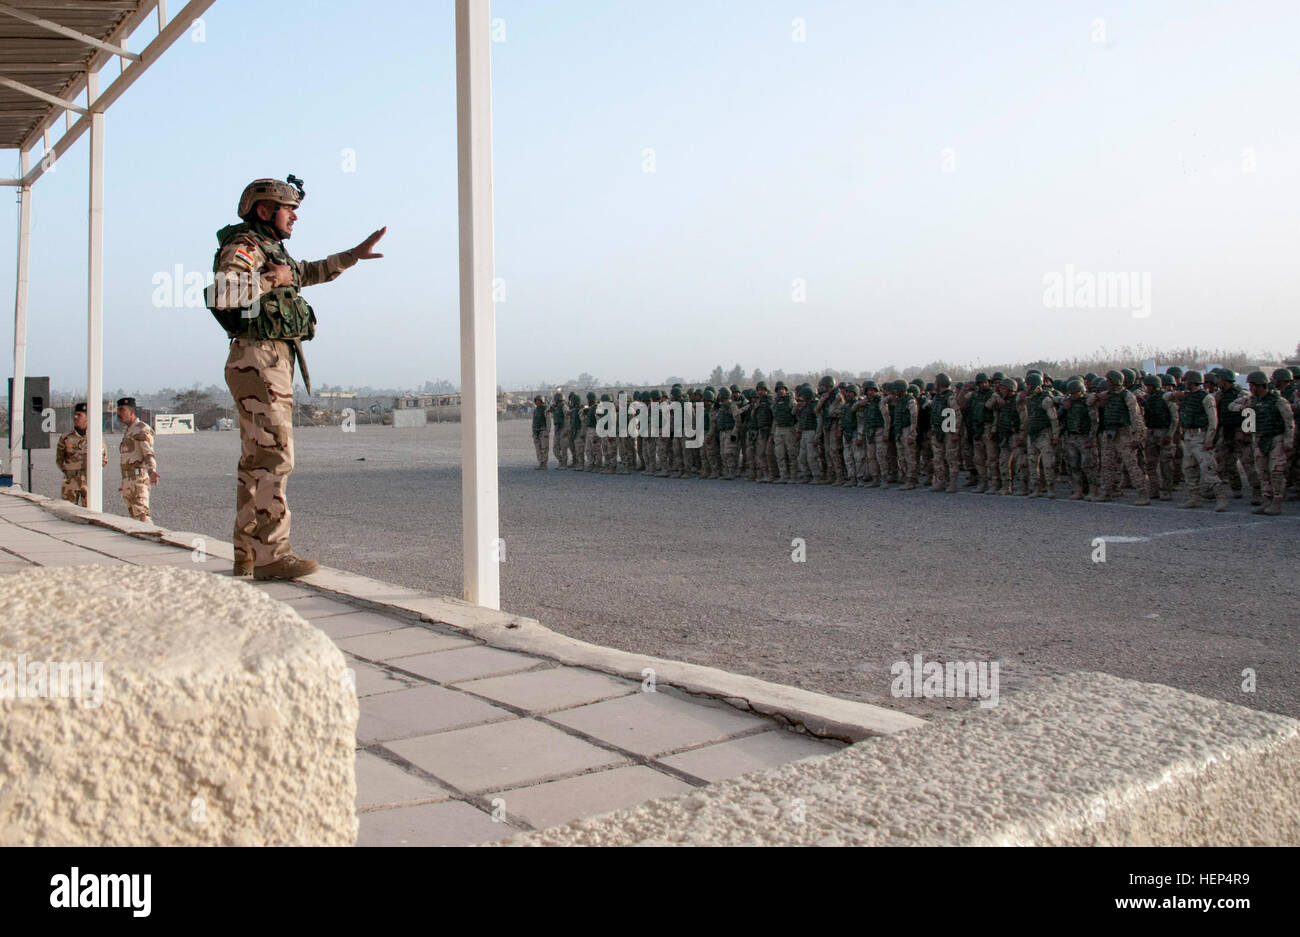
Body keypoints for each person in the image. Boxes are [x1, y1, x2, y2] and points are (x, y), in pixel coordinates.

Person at [207, 175, 385, 579]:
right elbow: (224, 294)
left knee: (257, 460)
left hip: (266, 358)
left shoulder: (271, 249)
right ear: (265, 210)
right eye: (290, 210)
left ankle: (247, 552)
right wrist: (275, 279)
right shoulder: (245, 247)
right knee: (275, 458)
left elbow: (307, 271)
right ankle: (272, 556)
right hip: (258, 358)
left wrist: (352, 255)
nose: (295, 218)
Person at [1231, 371, 1294, 515]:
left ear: (1260, 385)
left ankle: (1276, 502)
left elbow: (1289, 422)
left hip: (1276, 439)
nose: (1251, 388)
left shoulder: (1278, 401)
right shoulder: (1252, 401)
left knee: (1276, 472)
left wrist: (1288, 442)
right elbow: (1246, 419)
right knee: (1262, 472)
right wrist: (1247, 433)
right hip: (1259, 439)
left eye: (1253, 385)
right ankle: (1266, 500)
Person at [55, 402, 107, 506]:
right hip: (70, 482)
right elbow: (59, 459)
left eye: (79, 415)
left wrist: (90, 474)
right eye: (75, 414)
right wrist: (70, 472)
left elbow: (103, 459)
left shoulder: (95, 437)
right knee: (68, 513)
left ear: (87, 418)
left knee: (90, 513)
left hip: (89, 482)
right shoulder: (66, 437)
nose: (75, 417)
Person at [116, 398, 158, 521]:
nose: (119, 413)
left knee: (142, 518)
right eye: (118, 410)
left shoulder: (142, 429)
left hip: (139, 481)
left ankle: (151, 538)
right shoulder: (129, 431)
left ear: (132, 411)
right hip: (129, 480)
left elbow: (148, 453)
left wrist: (152, 471)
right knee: (135, 519)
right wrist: (126, 481)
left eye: (122, 410)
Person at [531, 396, 549, 469]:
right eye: (536, 401)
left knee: (544, 448)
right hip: (536, 431)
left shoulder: (545, 409)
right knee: (538, 448)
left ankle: (544, 464)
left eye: (539, 401)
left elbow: (548, 421)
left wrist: (547, 431)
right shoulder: (535, 410)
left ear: (542, 401)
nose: (537, 402)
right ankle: (540, 463)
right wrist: (533, 431)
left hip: (543, 431)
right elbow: (534, 421)